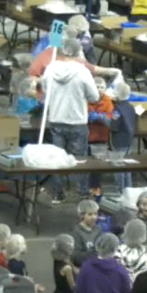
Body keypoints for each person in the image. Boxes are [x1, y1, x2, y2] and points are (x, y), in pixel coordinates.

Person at [43, 38, 100, 203]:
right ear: (78, 52)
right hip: (77, 121)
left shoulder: (50, 69)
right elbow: (94, 96)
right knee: (80, 159)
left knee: (56, 159)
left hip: (56, 119)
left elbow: (46, 91)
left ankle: (57, 194)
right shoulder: (83, 72)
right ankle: (82, 193)